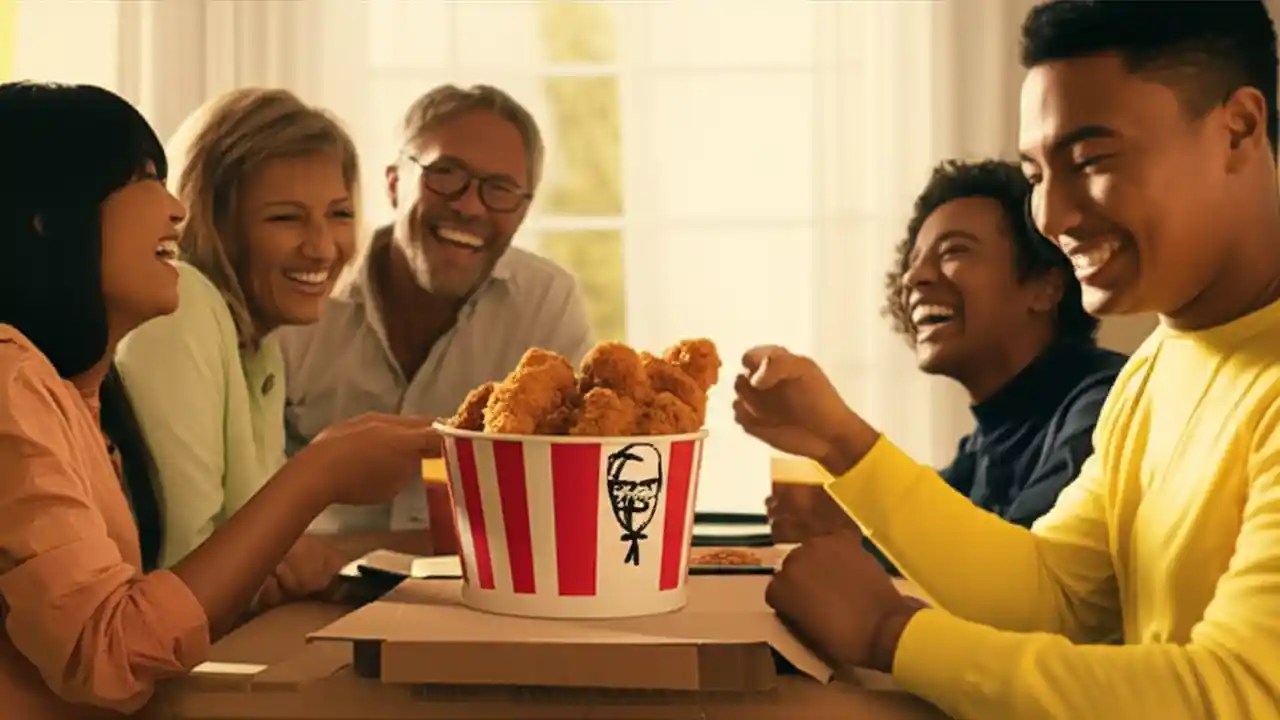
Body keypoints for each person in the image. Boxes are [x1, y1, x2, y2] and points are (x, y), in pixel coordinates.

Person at [736, 1, 1280, 718]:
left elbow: (1242, 695)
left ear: (1237, 129)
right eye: (1036, 174)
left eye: (1090, 160)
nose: (1050, 218)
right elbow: (1054, 595)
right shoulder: (1158, 368)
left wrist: (889, 631)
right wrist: (842, 445)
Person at [0, 81, 438, 719]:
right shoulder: (11, 382)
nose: (176, 209)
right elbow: (113, 653)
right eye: (144, 178)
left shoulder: (71, 392)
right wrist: (319, 474)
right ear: (47, 217)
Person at [280, 84, 593, 550]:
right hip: (297, 598)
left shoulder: (547, 304)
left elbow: (562, 511)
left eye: (500, 190)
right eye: (445, 174)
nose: (469, 205)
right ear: (393, 183)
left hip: (474, 600)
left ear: (524, 210)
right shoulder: (303, 288)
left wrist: (344, 553)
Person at [769, 160, 1126, 550]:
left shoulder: (1103, 410)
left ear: (1044, 287)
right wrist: (845, 520)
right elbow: (934, 527)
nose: (913, 277)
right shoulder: (986, 442)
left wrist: (839, 438)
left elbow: (1022, 569)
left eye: (953, 251)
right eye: (913, 261)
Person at [115, 89, 361, 605]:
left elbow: (258, 556)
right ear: (216, 223)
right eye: (286, 219)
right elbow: (182, 568)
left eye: (338, 214)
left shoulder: (259, 344)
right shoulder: (180, 310)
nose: (321, 246)